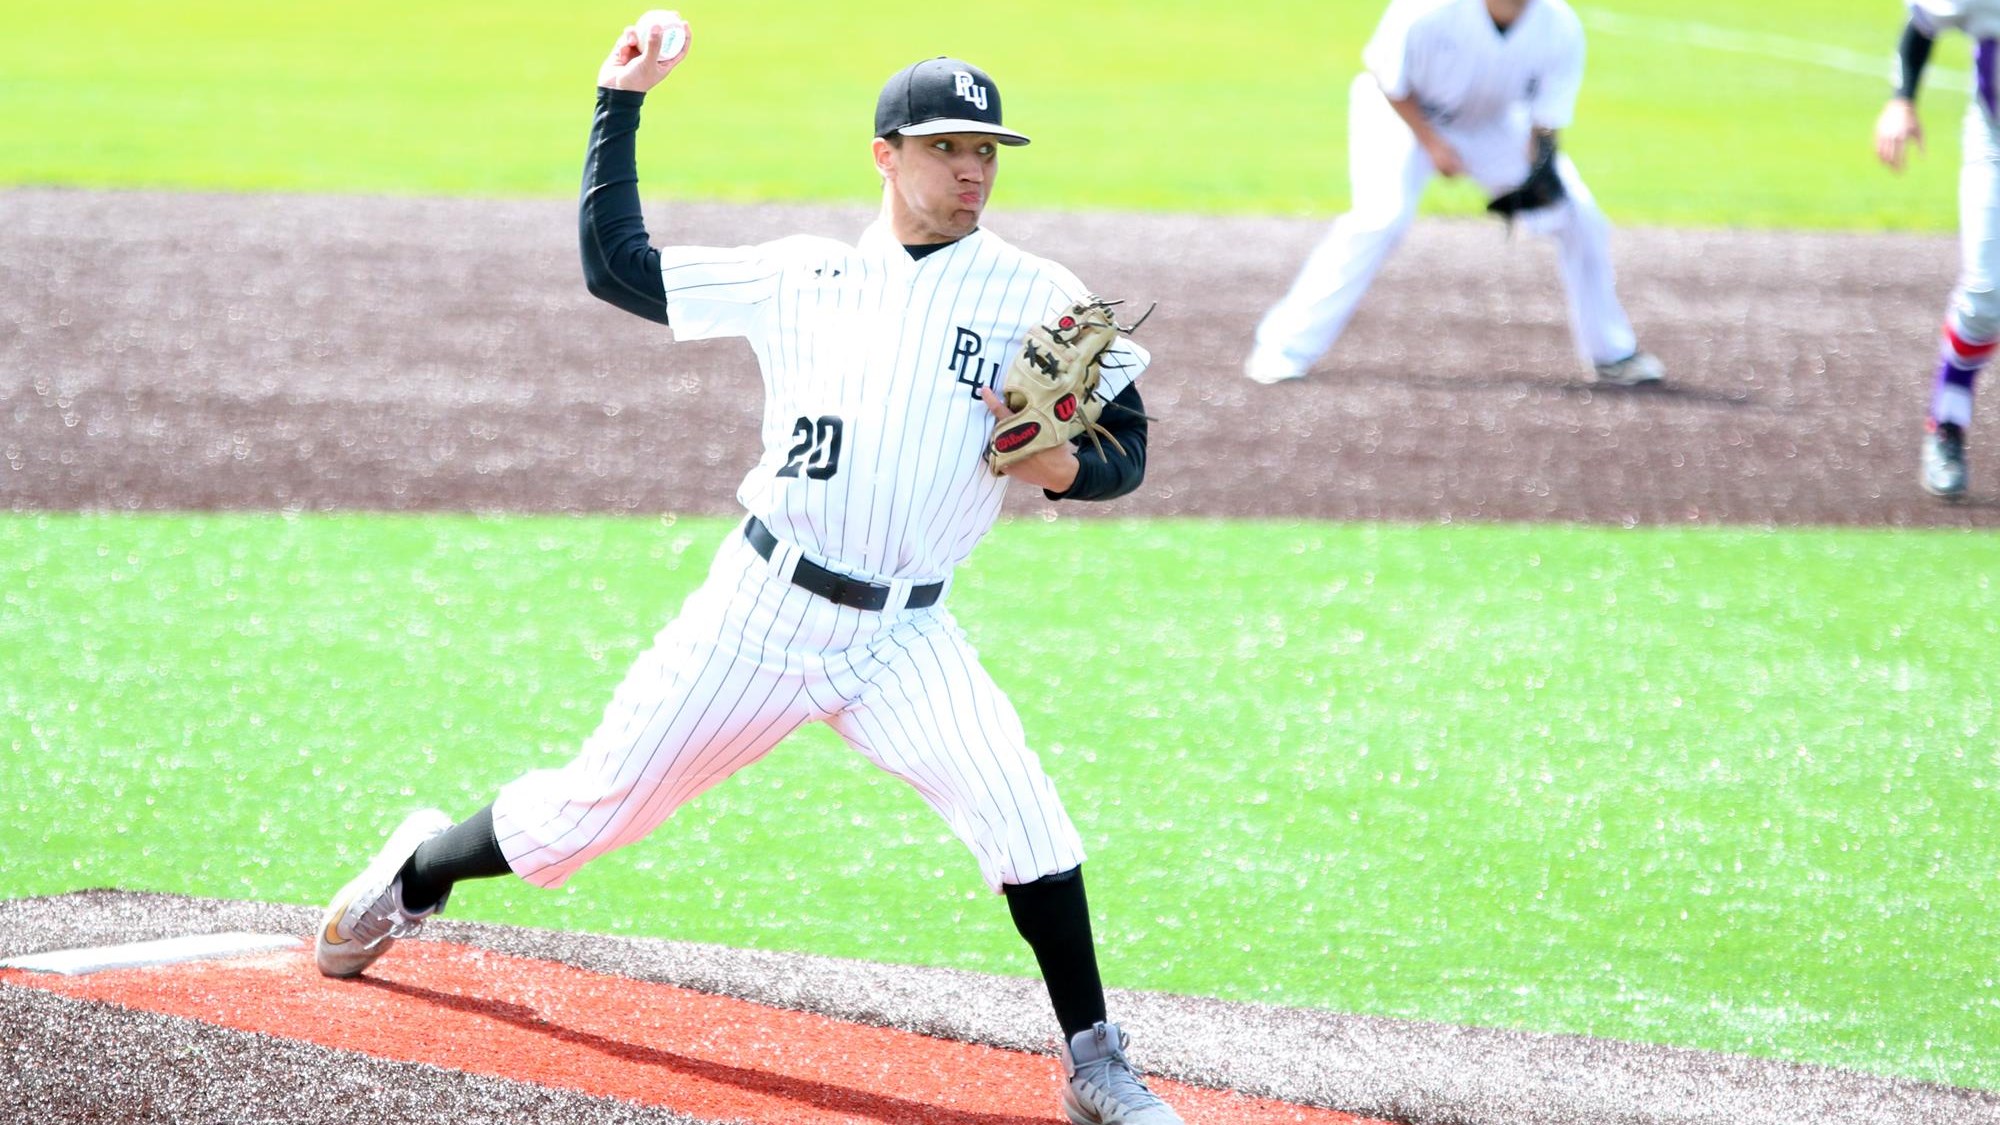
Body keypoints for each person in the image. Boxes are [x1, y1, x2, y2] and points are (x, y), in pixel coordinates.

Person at [312, 14, 1184, 1124]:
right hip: (759, 616)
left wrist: (1066, 469)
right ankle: (417, 873)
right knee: (584, 817)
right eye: (945, 147)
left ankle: (1095, 1063)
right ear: (885, 156)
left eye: (986, 151)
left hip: (906, 637)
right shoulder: (799, 275)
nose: (971, 170)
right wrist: (615, 100)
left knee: (1024, 816)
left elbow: (1129, 449)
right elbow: (615, 268)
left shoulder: (1040, 292)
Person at [1241, 0, 1666, 388]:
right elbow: (1388, 81)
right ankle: (1284, 346)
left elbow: (1546, 120)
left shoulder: (1559, 26)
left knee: (1580, 217)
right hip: (1399, 116)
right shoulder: (1427, 10)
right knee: (1380, 218)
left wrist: (1538, 180)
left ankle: (1611, 353)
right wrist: (1433, 145)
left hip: (1489, 124)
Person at [1875, 0, 1996, 500]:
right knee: (1987, 294)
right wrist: (1902, 99)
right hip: (1995, 144)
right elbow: (1922, 22)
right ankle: (1946, 423)